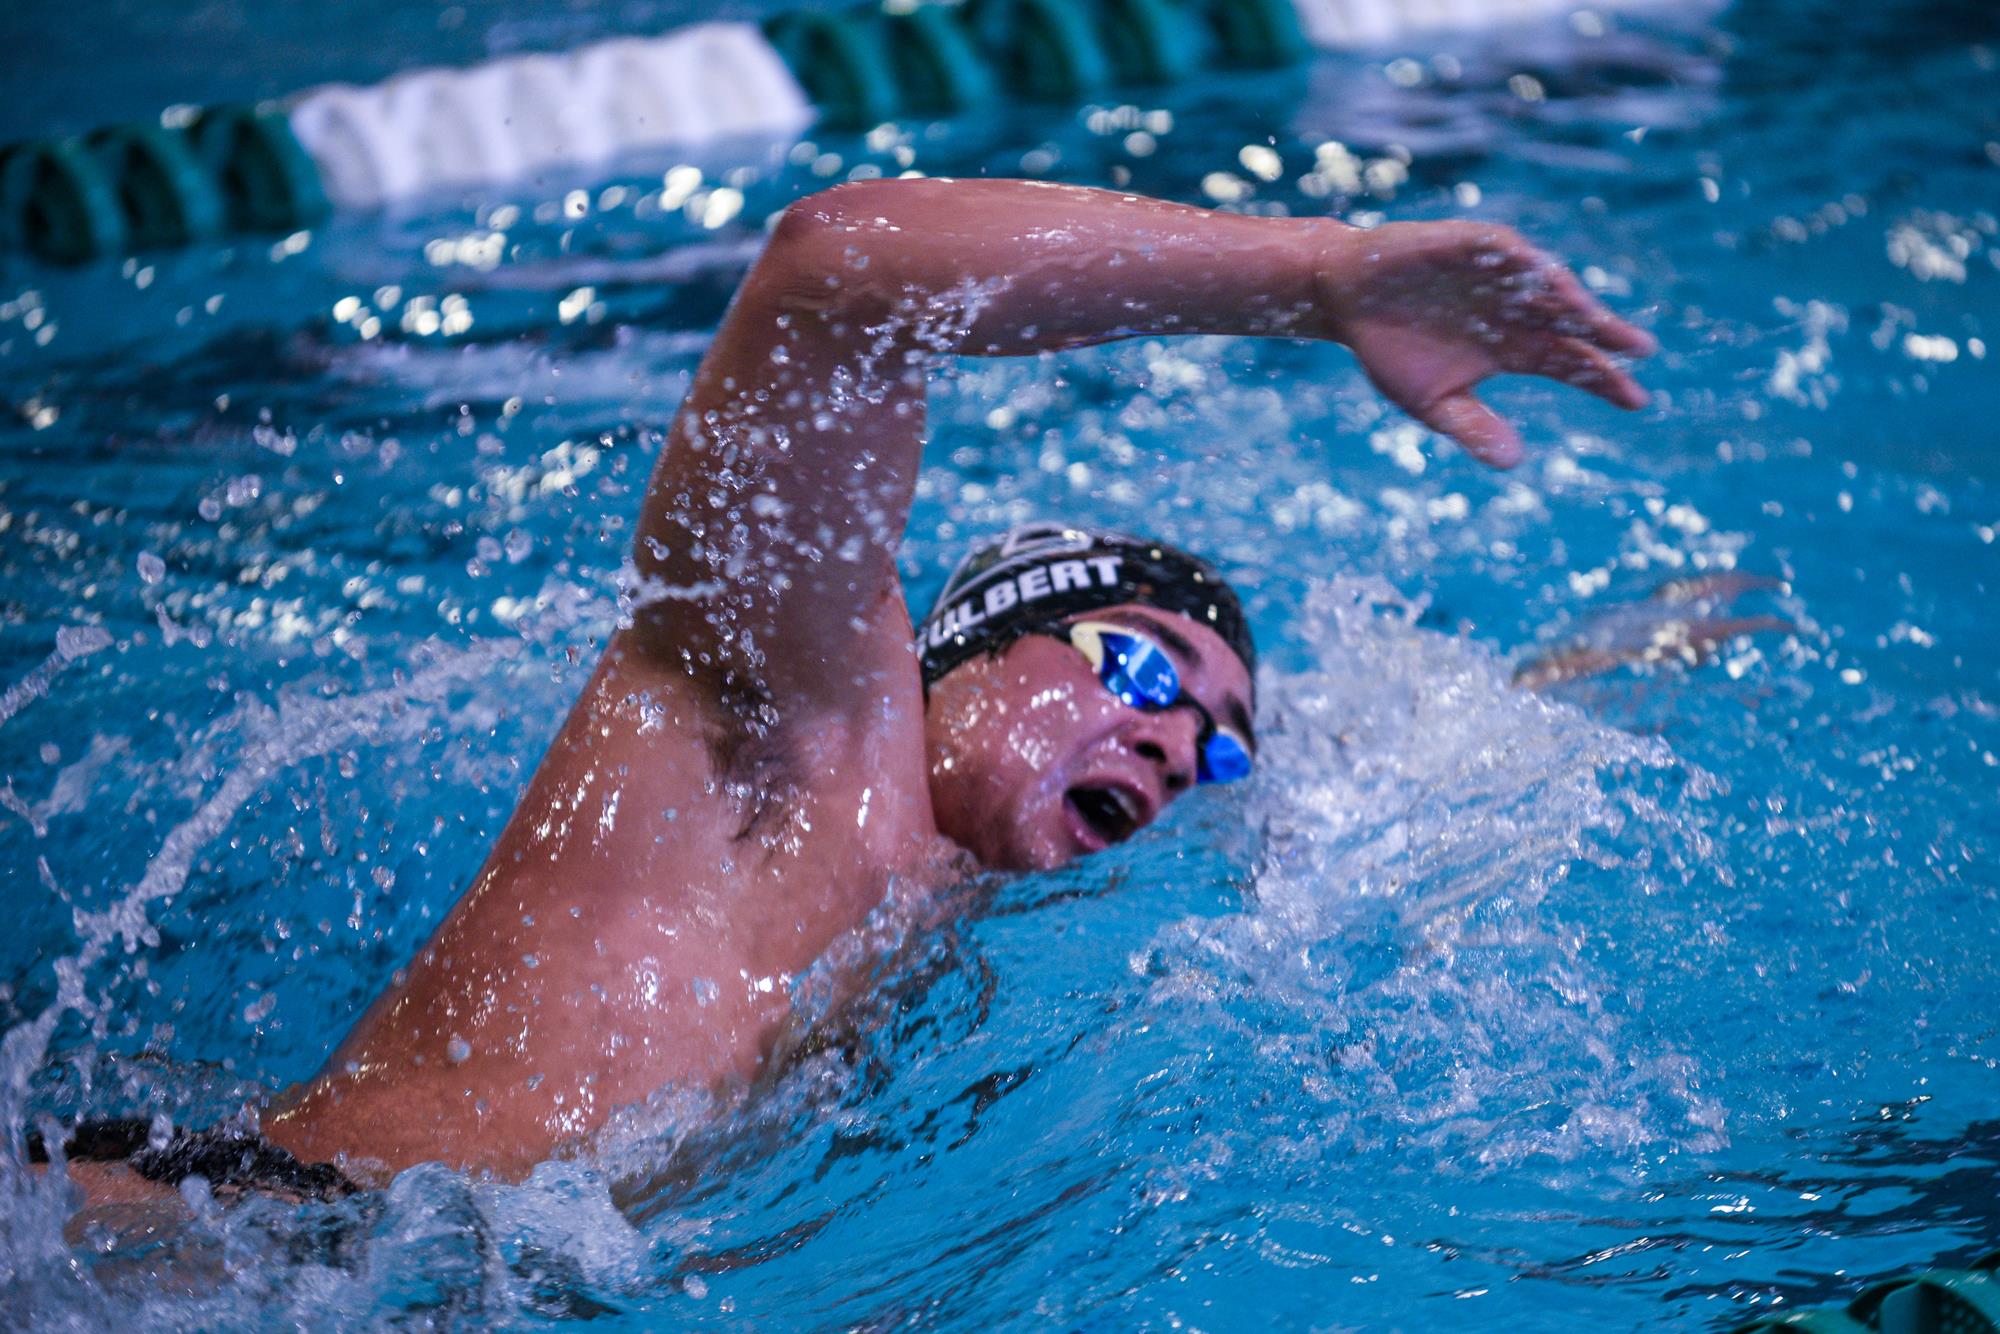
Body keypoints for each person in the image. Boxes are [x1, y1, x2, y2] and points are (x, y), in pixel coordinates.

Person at [55, 178, 1654, 1198]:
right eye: (1143, 669)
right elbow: (838, 267)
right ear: (972, 647)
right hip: (213, 1249)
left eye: (1213, 750)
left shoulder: (943, 900)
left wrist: (1607, 662)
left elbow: (1381, 754)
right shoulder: (807, 716)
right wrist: (1317, 276)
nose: (1179, 744)